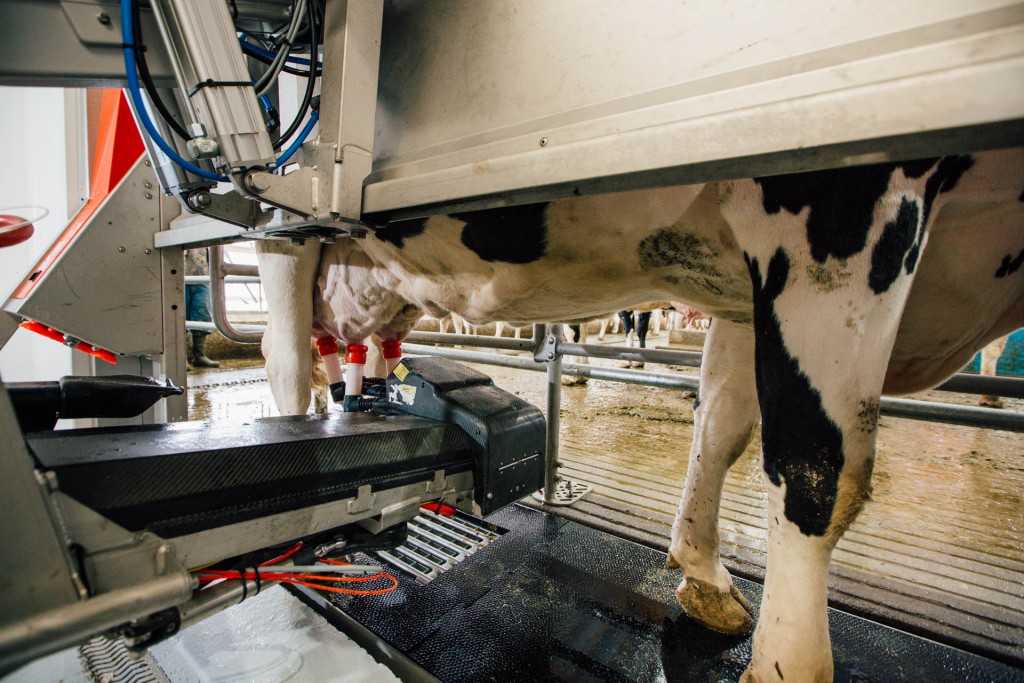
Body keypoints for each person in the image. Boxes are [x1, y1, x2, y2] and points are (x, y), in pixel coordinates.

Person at [185, 248, 220, 368]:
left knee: (202, 314)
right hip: (180, 277)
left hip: (203, 277)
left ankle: (199, 355)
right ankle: (180, 357)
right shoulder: (179, 230)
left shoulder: (203, 233)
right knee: (180, 316)